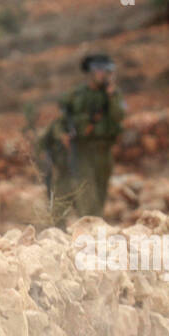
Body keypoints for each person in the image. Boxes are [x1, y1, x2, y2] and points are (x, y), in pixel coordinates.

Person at [33, 53, 125, 221]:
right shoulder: (77, 95)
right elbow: (60, 121)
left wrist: (111, 96)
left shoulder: (113, 95)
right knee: (86, 192)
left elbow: (119, 116)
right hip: (83, 151)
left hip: (104, 152)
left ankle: (94, 224)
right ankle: (90, 226)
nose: (103, 75)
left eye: (107, 71)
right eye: (99, 71)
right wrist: (62, 136)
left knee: (100, 191)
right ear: (91, 73)